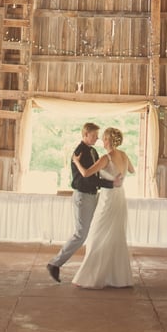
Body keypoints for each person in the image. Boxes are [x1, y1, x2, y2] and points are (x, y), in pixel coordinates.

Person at [71, 127, 135, 289]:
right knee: (115, 235)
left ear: (108, 140)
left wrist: (76, 161)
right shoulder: (124, 155)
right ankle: (118, 278)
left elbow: (85, 174)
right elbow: (132, 170)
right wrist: (119, 174)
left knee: (96, 235)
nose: (101, 140)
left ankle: (90, 277)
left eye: (103, 138)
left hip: (107, 199)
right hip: (120, 197)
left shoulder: (106, 158)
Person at [47, 122, 107, 283]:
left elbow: (96, 175)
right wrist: (109, 184)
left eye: (97, 135)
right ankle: (55, 263)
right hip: (83, 196)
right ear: (85, 135)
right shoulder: (80, 151)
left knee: (95, 231)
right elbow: (87, 178)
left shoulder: (93, 151)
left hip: (92, 196)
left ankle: (96, 266)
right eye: (93, 135)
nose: (97, 138)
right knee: (81, 234)